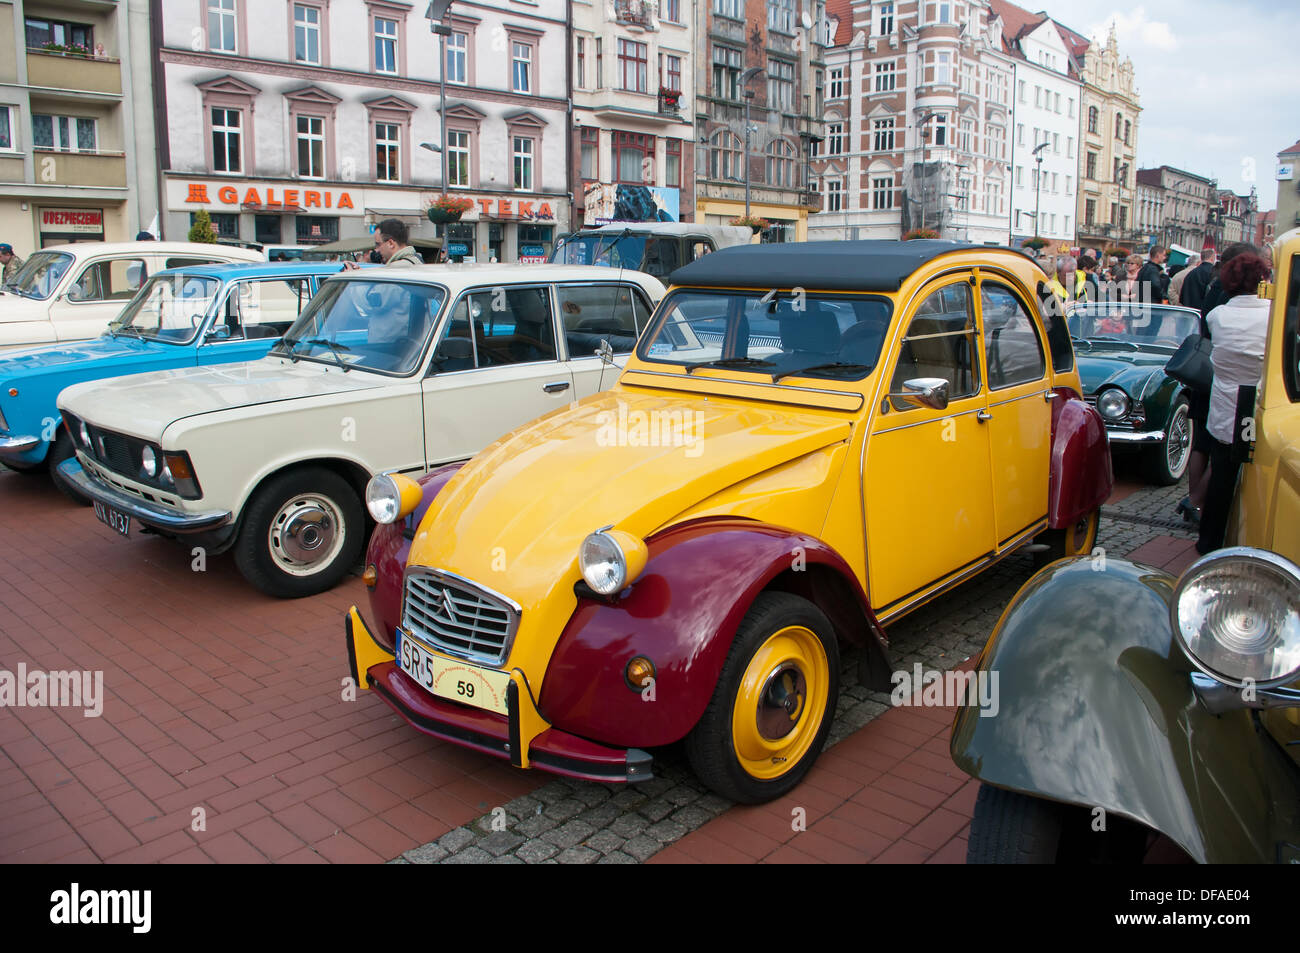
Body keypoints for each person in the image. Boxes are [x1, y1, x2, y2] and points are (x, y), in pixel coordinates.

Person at [1196, 251, 1272, 554]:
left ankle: (1209, 541)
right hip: (1258, 403)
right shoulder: (1271, 315)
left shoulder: (1218, 316)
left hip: (1227, 405)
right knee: (1257, 475)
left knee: (1222, 476)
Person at [344, 218, 421, 270]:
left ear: (391, 243)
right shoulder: (416, 262)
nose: (376, 250)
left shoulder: (396, 269)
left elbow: (379, 293)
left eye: (378, 244)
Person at [1179, 246, 1217, 311]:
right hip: (1204, 312)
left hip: (1189, 311)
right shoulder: (1213, 273)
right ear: (1212, 258)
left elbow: (1182, 295)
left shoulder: (1191, 273)